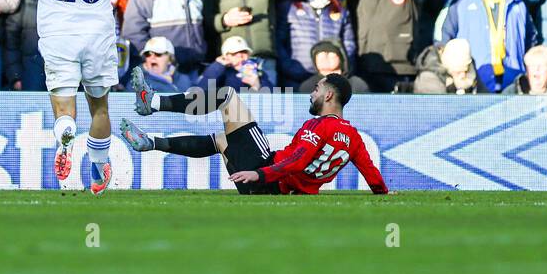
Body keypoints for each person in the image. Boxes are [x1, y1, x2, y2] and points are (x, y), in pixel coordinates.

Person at [8, 0, 165, 194]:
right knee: (100, 108)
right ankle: (98, 165)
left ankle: (65, 134)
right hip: (98, 36)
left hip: (57, 35)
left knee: (65, 108)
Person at [123, 71, 390, 195]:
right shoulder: (353, 137)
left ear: (329, 95)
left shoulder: (320, 126)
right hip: (273, 188)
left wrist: (259, 173)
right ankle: (150, 142)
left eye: (317, 89)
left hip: (267, 179)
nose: (312, 92)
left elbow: (297, 161)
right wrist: (383, 193)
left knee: (227, 96)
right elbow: (371, 172)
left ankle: (154, 102)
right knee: (222, 140)